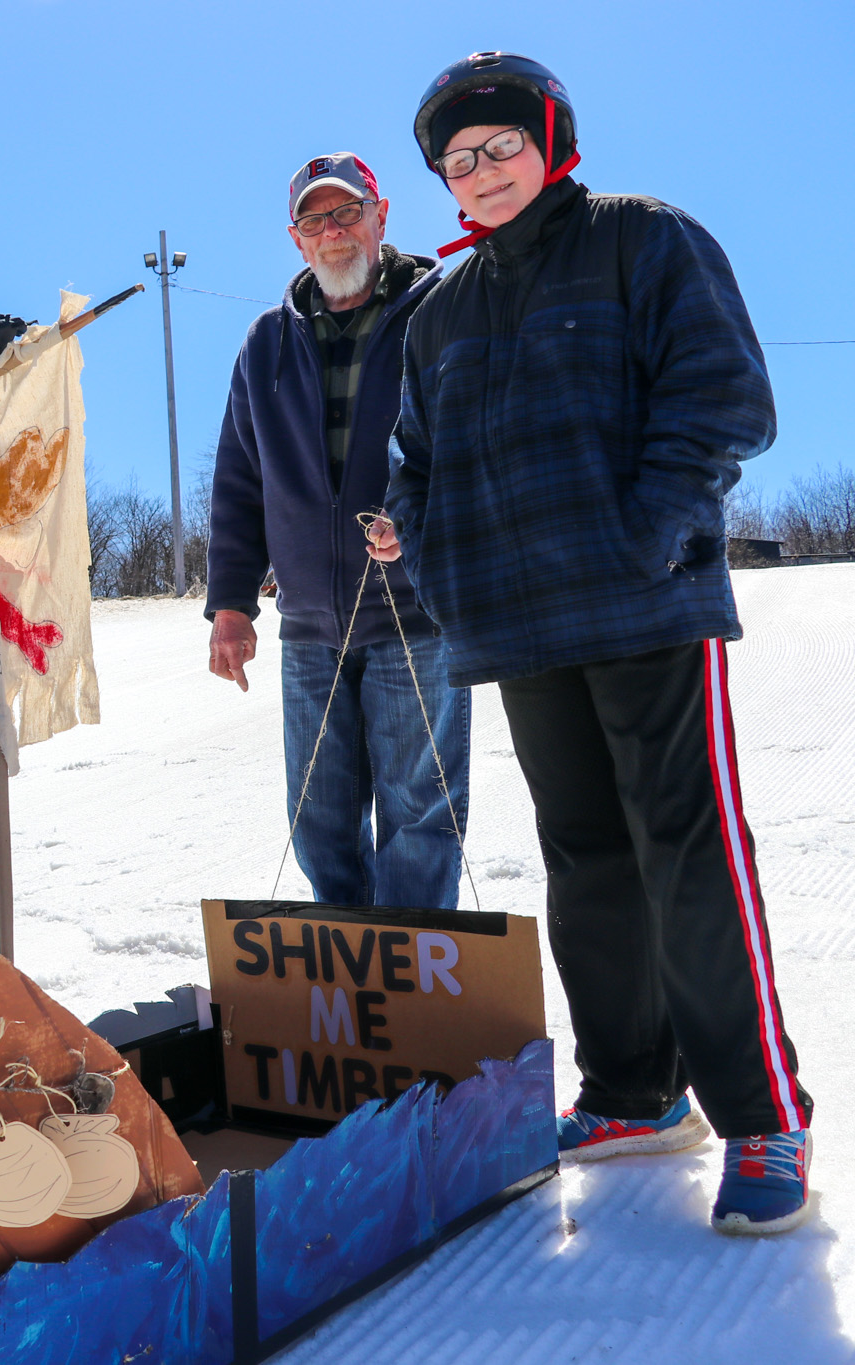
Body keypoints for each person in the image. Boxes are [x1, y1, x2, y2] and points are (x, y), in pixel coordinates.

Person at [375, 52, 813, 1234]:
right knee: (581, 858)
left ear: (549, 140)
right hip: (514, 627)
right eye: (457, 163)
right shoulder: (438, 309)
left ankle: (762, 1116)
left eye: (499, 146)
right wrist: (440, 568)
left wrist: (647, 532)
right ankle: (630, 1089)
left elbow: (722, 396)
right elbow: (410, 470)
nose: (479, 172)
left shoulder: (641, 239)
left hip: (643, 605)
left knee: (688, 852)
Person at [206, 152, 467, 909]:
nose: (334, 231)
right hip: (312, 627)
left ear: (381, 216)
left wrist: (418, 521)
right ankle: (347, 992)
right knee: (319, 818)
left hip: (415, 616)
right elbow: (238, 481)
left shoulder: (441, 312)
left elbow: (477, 445)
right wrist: (231, 604)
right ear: (297, 240)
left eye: (348, 212)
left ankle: (416, 990)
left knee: (419, 816)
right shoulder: (266, 344)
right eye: (316, 220)